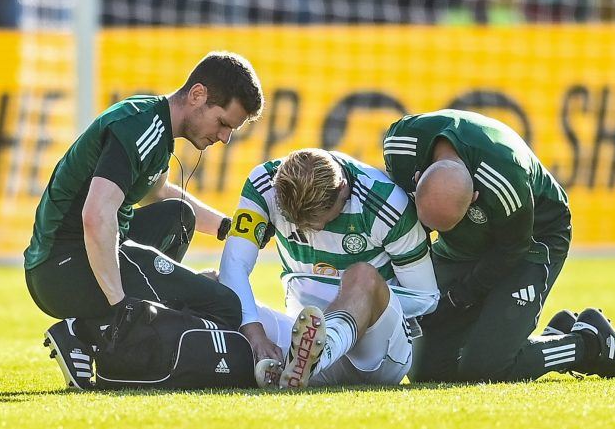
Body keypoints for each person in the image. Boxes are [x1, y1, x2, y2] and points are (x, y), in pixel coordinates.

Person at [24, 51, 264, 389]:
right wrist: (123, 308)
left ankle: (87, 330)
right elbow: (96, 216)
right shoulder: (141, 127)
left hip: (65, 263)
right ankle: (101, 331)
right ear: (198, 95)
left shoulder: (150, 122)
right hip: (64, 268)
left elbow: (160, 192)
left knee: (180, 216)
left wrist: (226, 227)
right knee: (224, 305)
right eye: (224, 123)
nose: (224, 137)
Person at [382, 109, 615, 382]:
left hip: (530, 240)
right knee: (426, 370)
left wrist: (460, 297)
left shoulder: (506, 179)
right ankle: (546, 339)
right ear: (416, 179)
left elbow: (510, 251)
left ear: (474, 197)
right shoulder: (400, 147)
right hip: (459, 246)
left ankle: (588, 343)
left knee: (486, 369)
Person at [218, 148, 440, 388]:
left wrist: (357, 302)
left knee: (362, 275)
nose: (312, 229)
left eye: (321, 219)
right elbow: (234, 264)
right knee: (211, 287)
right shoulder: (264, 184)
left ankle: (320, 352)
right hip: (300, 342)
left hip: (375, 355)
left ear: (343, 188)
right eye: (299, 224)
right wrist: (255, 334)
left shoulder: (384, 201)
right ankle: (254, 366)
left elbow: (425, 298)